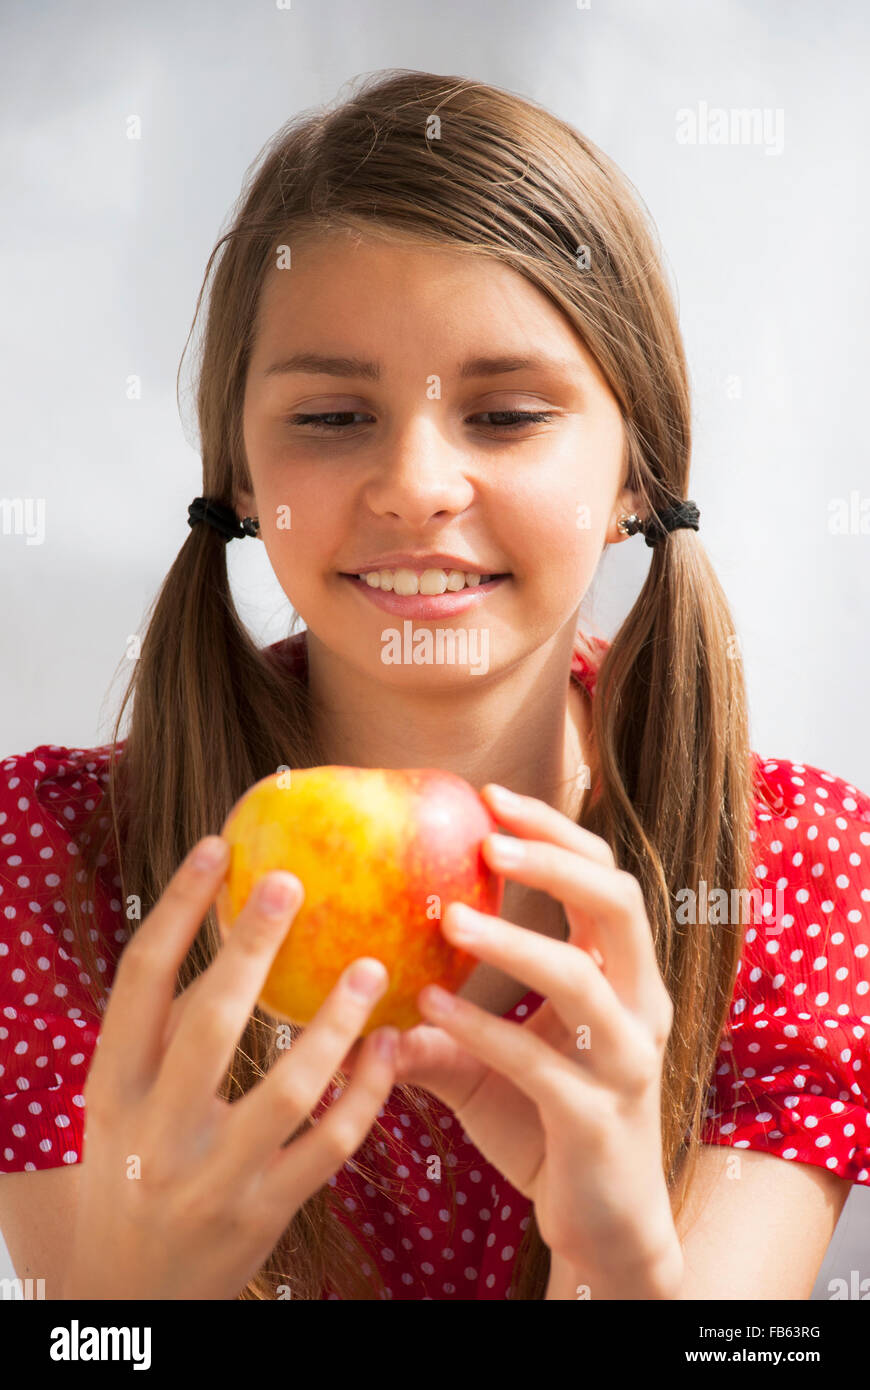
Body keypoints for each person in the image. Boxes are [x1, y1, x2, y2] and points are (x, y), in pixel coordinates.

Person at [1, 70, 868, 1302]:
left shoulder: (791, 873)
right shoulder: (52, 863)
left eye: (507, 415)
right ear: (240, 473)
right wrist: (131, 1311)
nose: (416, 484)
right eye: (336, 414)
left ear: (639, 472)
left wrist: (620, 1270)